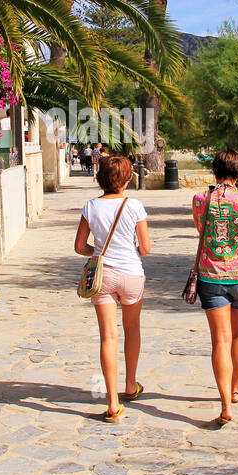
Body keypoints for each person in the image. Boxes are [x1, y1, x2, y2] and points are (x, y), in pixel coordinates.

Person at [74, 155, 151, 422]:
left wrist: (98, 252)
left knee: (108, 336)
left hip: (103, 276)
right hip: (131, 274)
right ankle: (130, 385)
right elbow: (146, 247)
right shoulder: (135, 205)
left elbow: (79, 246)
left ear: (100, 178)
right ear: (127, 178)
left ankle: (112, 402)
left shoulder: (91, 206)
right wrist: (131, 250)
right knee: (132, 330)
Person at [191, 149, 238, 426]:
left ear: (214, 170)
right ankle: (235, 389)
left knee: (220, 340)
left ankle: (223, 404)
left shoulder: (201, 200)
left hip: (211, 275)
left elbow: (201, 230)